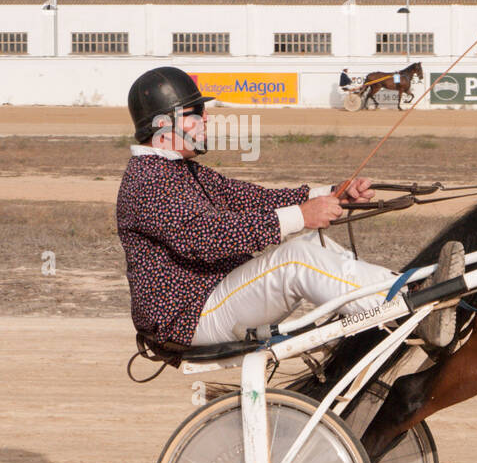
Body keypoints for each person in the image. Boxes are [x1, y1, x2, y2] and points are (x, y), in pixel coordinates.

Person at [115, 66, 447, 351]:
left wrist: (332, 194)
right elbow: (207, 238)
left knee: (307, 246)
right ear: (164, 125)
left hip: (210, 299)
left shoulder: (179, 169)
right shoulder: (147, 181)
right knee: (294, 262)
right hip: (188, 319)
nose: (207, 119)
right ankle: (405, 310)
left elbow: (252, 199)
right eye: (196, 114)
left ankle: (402, 291)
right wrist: (302, 215)